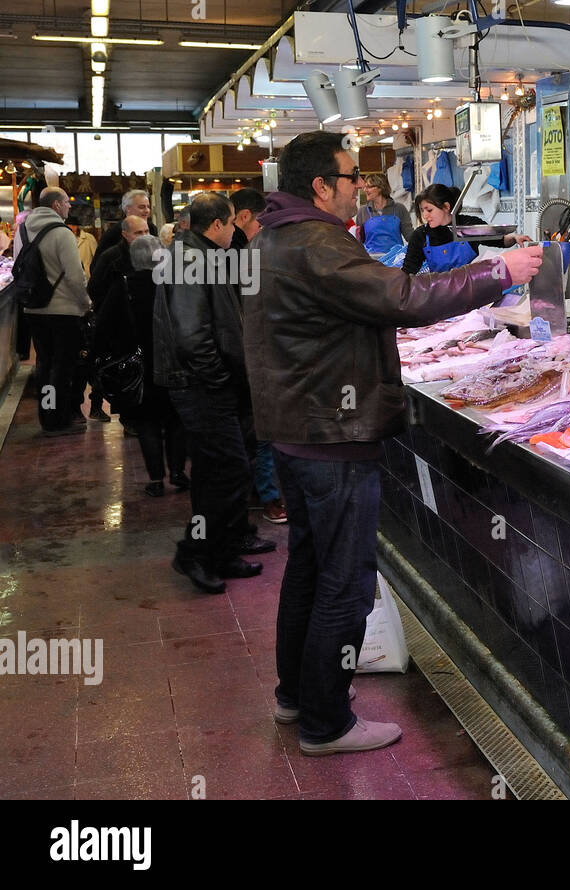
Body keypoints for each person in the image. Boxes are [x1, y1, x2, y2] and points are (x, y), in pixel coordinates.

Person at [245, 131, 543, 756]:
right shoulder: (317, 242)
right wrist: (498, 271)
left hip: (297, 432)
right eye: (352, 177)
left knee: (308, 568)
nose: (360, 188)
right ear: (321, 185)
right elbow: (406, 299)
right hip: (333, 434)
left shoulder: (274, 237)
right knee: (345, 582)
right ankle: (327, 722)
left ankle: (295, 696)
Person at [154, 192, 274, 595]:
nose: (236, 231)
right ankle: (195, 552)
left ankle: (220, 551)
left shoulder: (198, 253)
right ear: (218, 224)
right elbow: (191, 336)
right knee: (229, 469)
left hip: (204, 383)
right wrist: (219, 377)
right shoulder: (191, 259)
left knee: (211, 471)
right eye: (232, 224)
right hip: (200, 386)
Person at [92, 234, 189, 496]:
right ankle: (178, 473)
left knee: (147, 423)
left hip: (137, 368)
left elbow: (102, 328)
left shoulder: (123, 286)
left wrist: (102, 357)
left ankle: (156, 479)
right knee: (175, 420)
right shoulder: (172, 283)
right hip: (172, 362)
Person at [226, 187, 283, 522]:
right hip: (248, 354)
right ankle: (268, 495)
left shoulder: (249, 249)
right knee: (260, 429)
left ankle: (265, 492)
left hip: (255, 351)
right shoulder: (232, 253)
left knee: (259, 429)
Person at [23, 188, 91, 435]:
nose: (69, 207)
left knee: (44, 364)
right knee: (62, 368)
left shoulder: (23, 230)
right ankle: (58, 420)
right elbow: (75, 277)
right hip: (63, 310)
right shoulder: (62, 233)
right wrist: (86, 304)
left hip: (34, 309)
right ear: (56, 206)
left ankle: (47, 416)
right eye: (67, 203)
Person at [86, 214, 150, 422]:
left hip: (145, 325)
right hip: (119, 327)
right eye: (138, 233)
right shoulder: (111, 256)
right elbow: (94, 288)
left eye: (146, 232)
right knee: (124, 372)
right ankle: (128, 416)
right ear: (125, 234)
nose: (143, 236)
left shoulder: (154, 253)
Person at [401, 184, 529, 275]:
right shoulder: (421, 235)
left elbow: (499, 240)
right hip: (440, 295)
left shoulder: (468, 225)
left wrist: (514, 237)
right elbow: (408, 270)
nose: (425, 215)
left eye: (429, 210)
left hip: (473, 292)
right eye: (422, 210)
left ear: (446, 207)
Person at [91, 190, 157, 271]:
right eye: (142, 207)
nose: (147, 211)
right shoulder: (115, 232)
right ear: (128, 209)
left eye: (148, 207)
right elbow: (97, 266)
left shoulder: (152, 228)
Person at [355, 173, 413, 254]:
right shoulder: (363, 211)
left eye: (369, 187)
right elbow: (359, 240)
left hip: (395, 260)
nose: (365, 190)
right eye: (365, 187)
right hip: (371, 261)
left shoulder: (399, 209)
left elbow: (410, 236)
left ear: (380, 188)